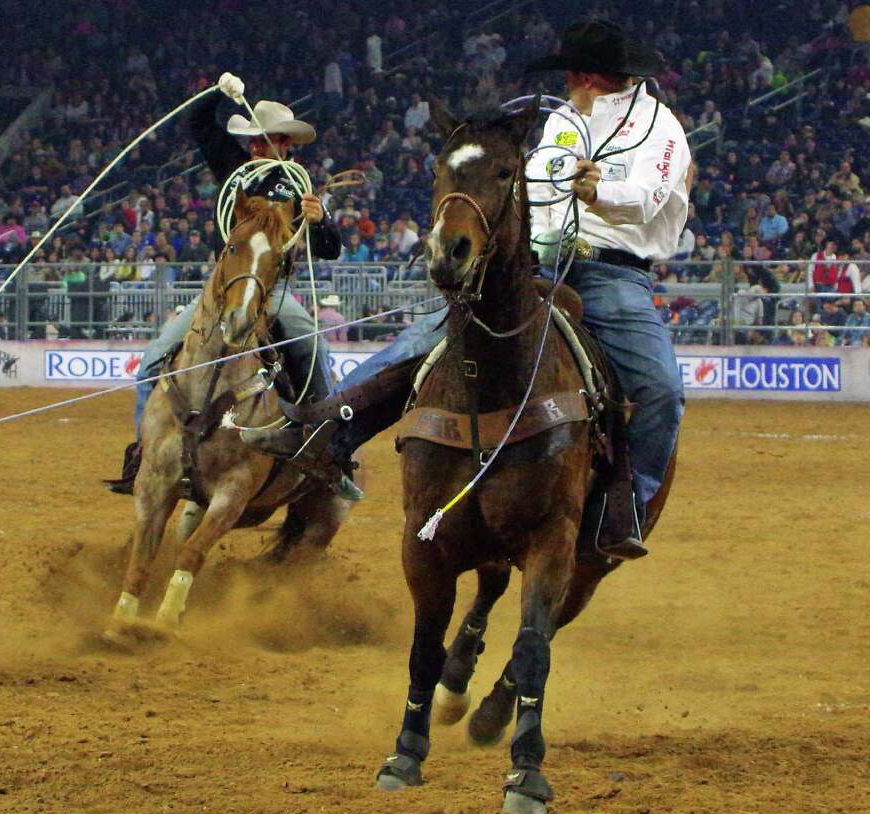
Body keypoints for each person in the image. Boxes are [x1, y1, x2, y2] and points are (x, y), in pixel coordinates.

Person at [242, 19, 688, 560]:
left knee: (660, 387)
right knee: (419, 343)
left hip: (610, 273)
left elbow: (651, 194)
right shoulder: (566, 121)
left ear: (596, 75)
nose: (569, 79)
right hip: (536, 263)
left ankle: (628, 506)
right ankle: (325, 435)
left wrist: (602, 193)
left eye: (575, 71)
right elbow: (533, 185)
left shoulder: (659, 127)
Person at [106, 72, 347, 496]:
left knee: (313, 348)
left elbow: (329, 249)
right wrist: (218, 93)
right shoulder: (234, 171)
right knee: (153, 359)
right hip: (220, 292)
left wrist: (320, 220)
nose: (258, 146)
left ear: (285, 143)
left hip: (271, 293)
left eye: (267, 139)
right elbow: (199, 124)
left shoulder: (301, 188)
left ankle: (326, 450)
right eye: (253, 139)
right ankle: (143, 453)